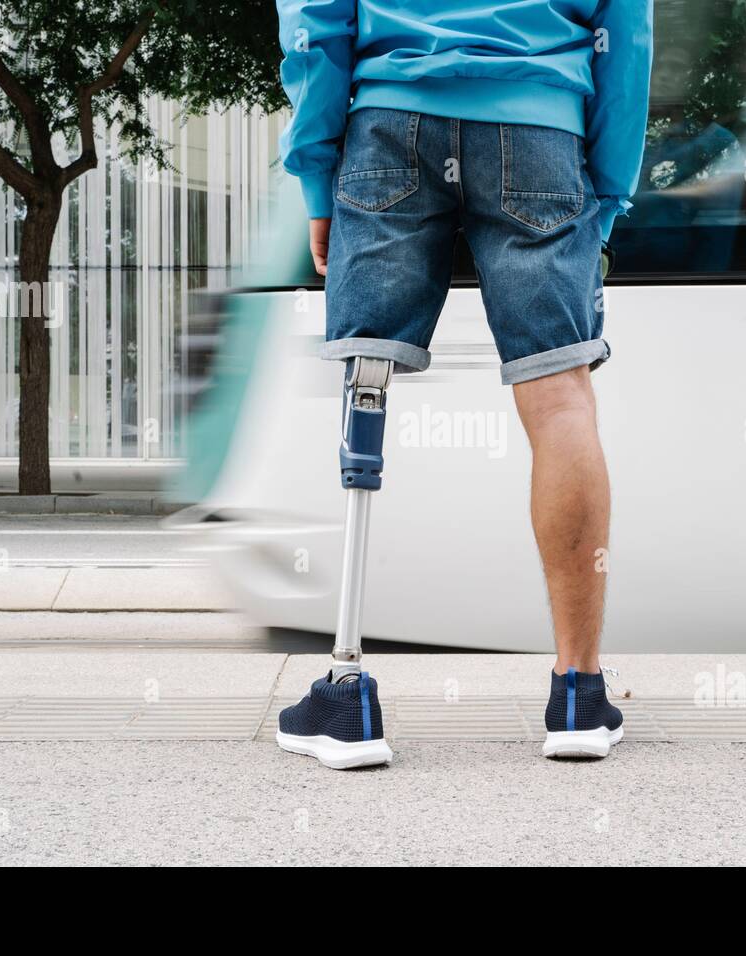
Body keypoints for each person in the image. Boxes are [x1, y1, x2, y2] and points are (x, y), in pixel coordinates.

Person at [272, 0, 653, 768]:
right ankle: (577, 693)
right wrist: (606, 194)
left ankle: (347, 693)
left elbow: (315, 23)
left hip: (391, 121)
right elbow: (629, 37)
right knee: (560, 395)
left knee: (369, 375)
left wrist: (317, 177)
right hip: (542, 127)